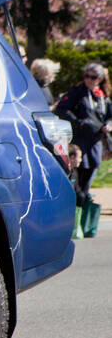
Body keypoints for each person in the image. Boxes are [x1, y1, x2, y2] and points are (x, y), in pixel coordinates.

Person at [54, 61, 112, 239]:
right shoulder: (77, 92)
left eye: (93, 77)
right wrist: (78, 122)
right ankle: (71, 222)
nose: (89, 80)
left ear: (100, 79)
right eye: (86, 76)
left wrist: (109, 125)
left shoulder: (103, 96)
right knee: (75, 180)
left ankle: (84, 224)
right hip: (79, 142)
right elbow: (61, 109)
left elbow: (109, 114)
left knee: (87, 183)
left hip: (95, 142)